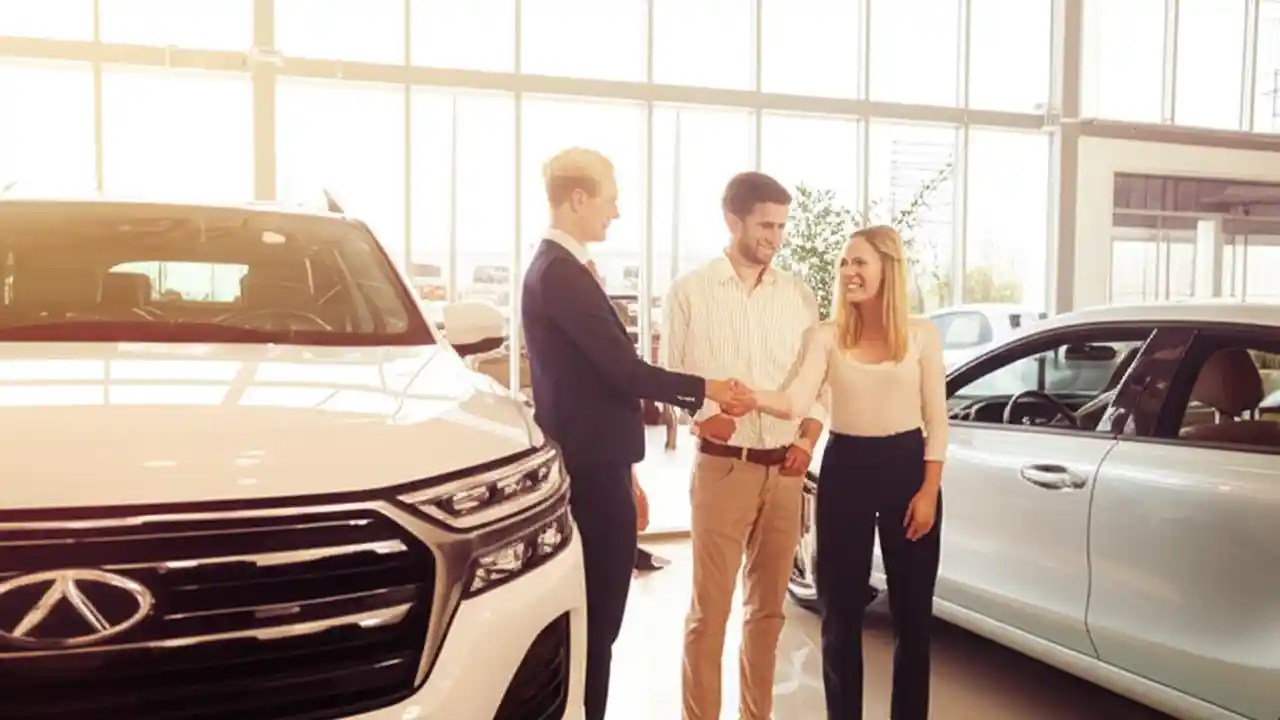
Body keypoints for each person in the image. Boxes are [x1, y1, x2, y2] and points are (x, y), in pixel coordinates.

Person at [520, 146, 750, 720]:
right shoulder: (560, 274)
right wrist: (709, 389)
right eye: (611, 199)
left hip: (601, 468)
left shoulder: (559, 268)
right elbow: (623, 371)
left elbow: (596, 384)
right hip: (591, 479)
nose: (616, 212)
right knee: (596, 630)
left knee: (598, 629)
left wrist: (629, 477)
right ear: (578, 199)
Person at [744, 225, 948, 720]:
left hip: (908, 470)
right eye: (844, 263)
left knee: (913, 620)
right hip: (845, 471)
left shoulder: (921, 335)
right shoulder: (826, 336)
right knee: (839, 616)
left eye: (859, 262)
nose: (848, 272)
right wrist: (749, 397)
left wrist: (928, 490)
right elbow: (796, 399)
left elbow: (937, 420)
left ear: (887, 269)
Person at [661, 171, 826, 720]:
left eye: (781, 226)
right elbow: (671, 375)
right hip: (723, 471)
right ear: (733, 220)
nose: (775, 238)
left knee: (768, 614)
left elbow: (818, 380)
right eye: (764, 225)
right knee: (709, 615)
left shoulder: (799, 296)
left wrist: (808, 437)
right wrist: (702, 418)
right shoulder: (690, 291)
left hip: (785, 472)